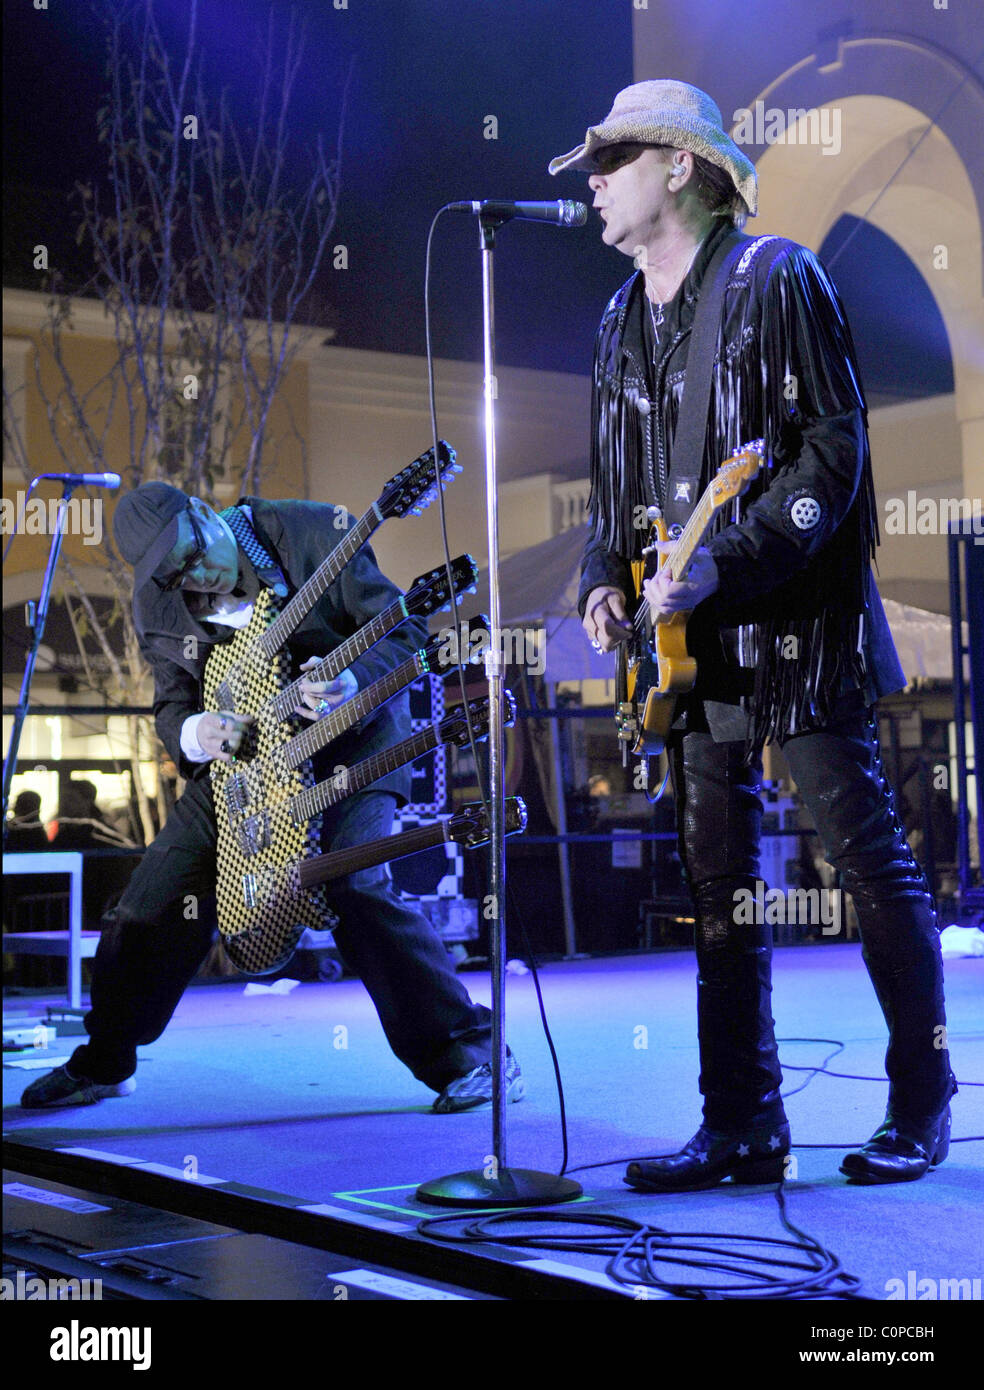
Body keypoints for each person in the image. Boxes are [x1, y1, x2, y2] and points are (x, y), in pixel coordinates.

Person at [550, 80, 954, 1188]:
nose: (589, 184)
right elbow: (611, 497)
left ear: (679, 164)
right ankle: (741, 1120)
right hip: (689, 656)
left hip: (795, 628)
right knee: (716, 885)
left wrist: (728, 559)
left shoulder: (780, 281)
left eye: (610, 160)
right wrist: (600, 584)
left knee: (866, 862)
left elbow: (834, 460)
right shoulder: (619, 322)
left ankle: (922, 1101)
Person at [21, 481, 522, 1113]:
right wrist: (193, 732)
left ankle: (468, 1053)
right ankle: (106, 1059)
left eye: (196, 556)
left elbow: (402, 629)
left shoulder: (314, 530)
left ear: (205, 513)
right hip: (244, 767)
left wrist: (351, 679)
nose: (197, 580)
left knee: (356, 884)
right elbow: (173, 698)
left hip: (349, 747)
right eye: (178, 576)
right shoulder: (159, 601)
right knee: (147, 903)